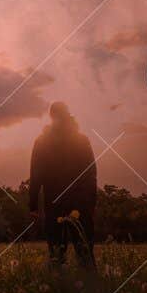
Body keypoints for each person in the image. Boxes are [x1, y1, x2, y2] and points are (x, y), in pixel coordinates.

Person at [27, 101, 97, 268]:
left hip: (54, 200)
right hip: (80, 201)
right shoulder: (81, 139)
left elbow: (35, 174)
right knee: (84, 250)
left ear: (51, 116)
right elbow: (91, 173)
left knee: (56, 251)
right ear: (68, 113)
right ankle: (91, 287)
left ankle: (60, 286)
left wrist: (33, 205)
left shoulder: (42, 141)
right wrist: (92, 201)